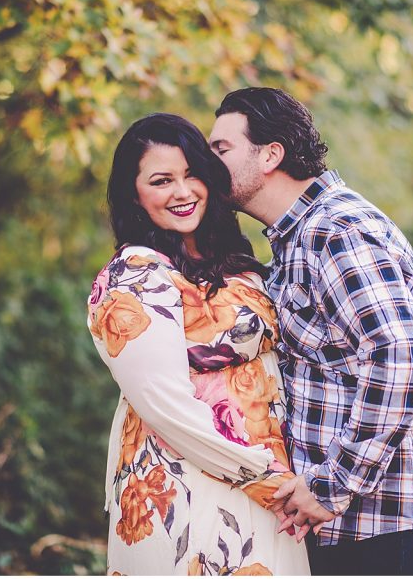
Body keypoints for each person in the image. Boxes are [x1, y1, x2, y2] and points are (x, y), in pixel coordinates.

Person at [209, 88, 413, 576]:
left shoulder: (336, 230)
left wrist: (332, 487)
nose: (209, 161)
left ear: (270, 155)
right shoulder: (297, 239)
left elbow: (399, 356)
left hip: (388, 524)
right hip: (352, 526)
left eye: (221, 148)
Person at [87, 113, 311, 576]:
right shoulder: (134, 275)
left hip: (267, 482)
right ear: (133, 193)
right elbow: (165, 405)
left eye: (192, 174)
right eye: (162, 180)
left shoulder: (231, 260)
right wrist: (268, 480)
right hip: (193, 480)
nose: (183, 192)